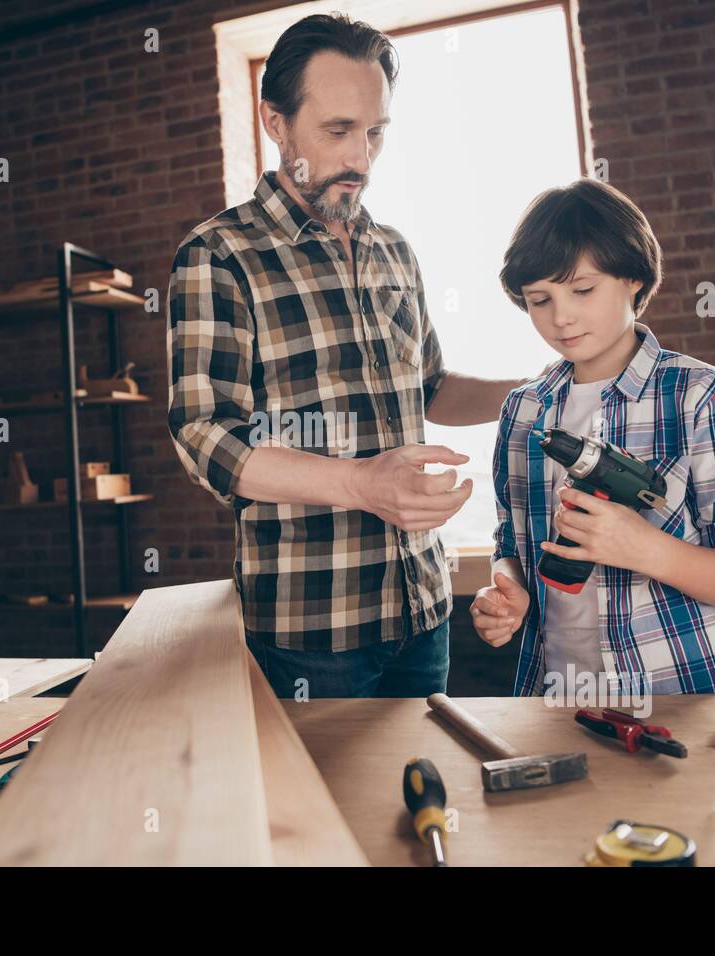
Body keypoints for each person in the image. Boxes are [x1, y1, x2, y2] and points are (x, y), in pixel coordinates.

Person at [167, 14, 525, 698]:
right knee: (321, 810)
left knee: (412, 802)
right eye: (338, 131)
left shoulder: (393, 250)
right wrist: (362, 484)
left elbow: (432, 387)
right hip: (311, 632)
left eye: (376, 131)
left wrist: (538, 392)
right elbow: (205, 436)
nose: (361, 157)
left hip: (423, 609)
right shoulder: (218, 255)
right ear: (276, 123)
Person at [474, 177, 715, 697]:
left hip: (692, 695)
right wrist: (508, 591)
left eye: (582, 289)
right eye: (539, 299)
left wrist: (643, 548)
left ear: (634, 280)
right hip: (557, 698)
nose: (562, 316)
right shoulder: (523, 411)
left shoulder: (703, 397)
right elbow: (510, 543)